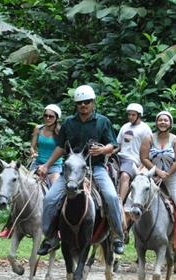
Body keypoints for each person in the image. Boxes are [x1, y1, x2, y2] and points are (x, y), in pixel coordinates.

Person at [35, 85, 126, 255]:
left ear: (93, 102)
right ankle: (50, 237)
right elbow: (61, 147)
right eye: (80, 103)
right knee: (49, 199)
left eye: (87, 102)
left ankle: (117, 236)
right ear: (76, 105)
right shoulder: (69, 122)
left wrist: (102, 150)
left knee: (112, 196)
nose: (83, 105)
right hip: (71, 169)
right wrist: (47, 165)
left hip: (96, 167)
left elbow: (113, 144)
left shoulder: (102, 121)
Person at [0, 104, 63, 238]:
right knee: (20, 190)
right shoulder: (38, 129)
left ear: (56, 118)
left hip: (54, 166)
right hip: (37, 164)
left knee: (56, 194)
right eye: (46, 115)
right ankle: (11, 225)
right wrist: (33, 153)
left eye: (51, 116)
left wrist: (47, 165)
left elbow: (62, 150)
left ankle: (58, 226)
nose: (48, 118)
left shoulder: (60, 132)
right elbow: (32, 147)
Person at [139, 111, 176, 252]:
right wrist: (157, 171)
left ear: (170, 123)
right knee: (135, 193)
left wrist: (167, 174)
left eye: (166, 120)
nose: (163, 122)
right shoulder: (149, 138)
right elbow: (144, 157)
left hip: (173, 177)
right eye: (160, 120)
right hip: (153, 174)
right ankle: (125, 231)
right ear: (156, 122)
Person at [114, 103, 152, 205]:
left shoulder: (145, 128)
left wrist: (143, 164)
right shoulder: (125, 126)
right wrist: (108, 153)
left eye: (133, 115)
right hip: (120, 156)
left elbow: (149, 149)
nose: (130, 117)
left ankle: (120, 203)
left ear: (139, 115)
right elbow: (119, 146)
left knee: (125, 176)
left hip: (133, 159)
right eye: (129, 114)